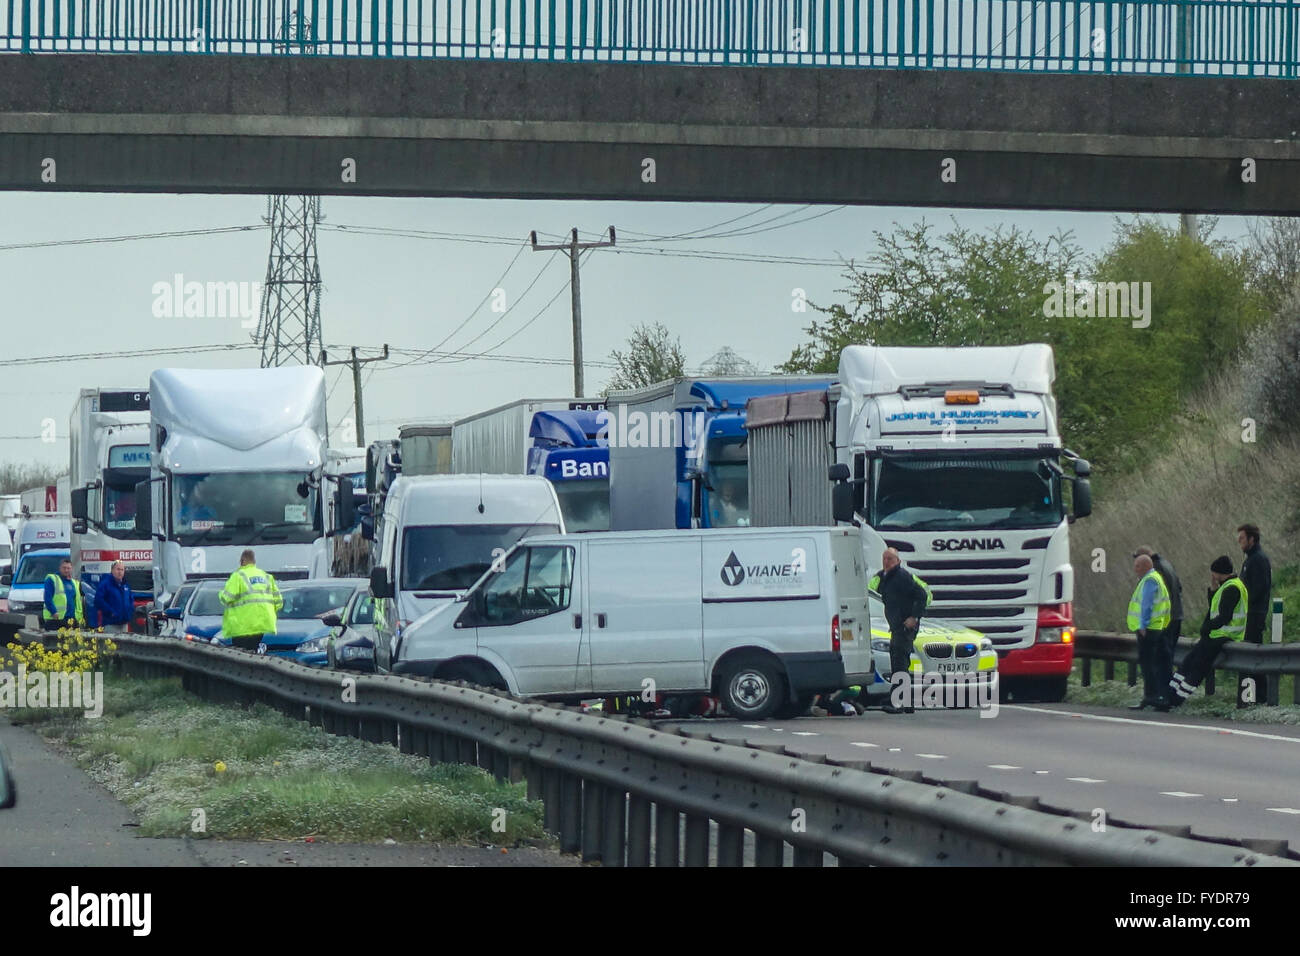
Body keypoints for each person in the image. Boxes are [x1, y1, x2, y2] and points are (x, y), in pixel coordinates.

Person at [1169, 556, 1248, 707]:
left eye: (1214, 573)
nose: (1212, 576)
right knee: (1188, 663)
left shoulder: (1232, 588)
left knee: (1197, 668)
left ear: (1219, 572)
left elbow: (1224, 616)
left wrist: (1207, 627)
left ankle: (1176, 699)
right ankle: (1170, 693)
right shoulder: (1228, 585)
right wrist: (1213, 590)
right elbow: (1215, 607)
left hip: (1223, 635)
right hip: (1217, 635)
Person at [870, 547, 929, 714]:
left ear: (898, 561)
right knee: (900, 661)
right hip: (896, 626)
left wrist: (914, 617)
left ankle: (897, 701)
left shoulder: (902, 577)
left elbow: (921, 595)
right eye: (885, 558)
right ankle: (907, 702)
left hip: (905, 627)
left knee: (899, 663)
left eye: (890, 559)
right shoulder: (885, 577)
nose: (886, 562)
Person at [1127, 553, 1172, 711]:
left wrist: (1143, 625)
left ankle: (1152, 696)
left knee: (1147, 663)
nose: (1135, 569)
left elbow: (1147, 604)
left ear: (1146, 566)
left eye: (1137, 566)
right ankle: (1154, 697)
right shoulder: (1156, 578)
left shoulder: (1150, 580)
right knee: (1154, 662)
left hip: (1148, 629)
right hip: (1157, 627)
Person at [219, 549, 283, 652]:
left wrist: (220, 593)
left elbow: (227, 598)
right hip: (261, 625)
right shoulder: (266, 576)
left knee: (240, 656)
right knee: (253, 654)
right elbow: (279, 603)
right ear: (254, 561)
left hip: (242, 626)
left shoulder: (238, 576)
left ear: (242, 561)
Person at [1134, 546, 1184, 659]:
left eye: (1138, 564)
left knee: (1158, 661)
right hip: (1176, 617)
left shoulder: (1155, 571)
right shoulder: (1166, 565)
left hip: (1163, 622)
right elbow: (1179, 588)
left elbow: (1150, 600)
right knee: (1166, 659)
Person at [1237, 523, 1272, 645]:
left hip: (1254, 617)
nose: (1239, 541)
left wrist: (1244, 603)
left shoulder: (1258, 559)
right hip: (1248, 617)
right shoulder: (1250, 560)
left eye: (1241, 538)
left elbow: (1259, 589)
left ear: (1251, 539)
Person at [41, 558, 86, 631]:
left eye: (68, 568)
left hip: (71, 619)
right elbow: (47, 598)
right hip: (55, 619)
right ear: (60, 568)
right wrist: (54, 612)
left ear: (71, 569)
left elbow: (77, 601)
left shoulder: (74, 583)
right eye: (64, 568)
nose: (66, 570)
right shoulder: (52, 579)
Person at [92, 560, 134, 632]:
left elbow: (130, 600)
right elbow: (98, 600)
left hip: (124, 624)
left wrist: (129, 613)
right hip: (110, 624)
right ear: (112, 570)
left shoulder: (125, 585)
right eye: (118, 569)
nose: (120, 572)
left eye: (122, 570)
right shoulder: (105, 584)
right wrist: (111, 613)